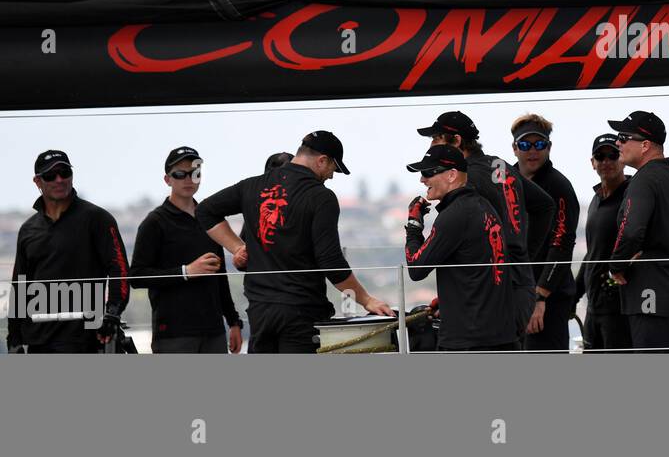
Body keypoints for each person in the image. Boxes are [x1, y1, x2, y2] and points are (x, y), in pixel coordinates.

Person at [197, 131, 393, 354]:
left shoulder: (252, 186)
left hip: (260, 310)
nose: (331, 176)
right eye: (333, 169)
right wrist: (366, 300)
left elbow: (205, 211)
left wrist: (237, 247)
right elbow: (330, 260)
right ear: (322, 160)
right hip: (302, 312)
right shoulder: (321, 196)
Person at [417, 111, 554, 344]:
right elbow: (544, 205)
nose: (431, 146)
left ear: (456, 140)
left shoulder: (464, 178)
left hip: (495, 292)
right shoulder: (499, 164)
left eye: (436, 138)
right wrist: (524, 252)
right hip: (519, 282)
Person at [7, 150, 129, 354]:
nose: (59, 180)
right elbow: (20, 285)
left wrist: (113, 314)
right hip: (39, 342)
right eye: (50, 175)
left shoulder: (98, 218)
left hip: (88, 339)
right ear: (37, 181)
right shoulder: (28, 229)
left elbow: (120, 270)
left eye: (65, 173)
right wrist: (14, 337)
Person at [605, 111, 669, 352]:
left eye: (623, 137)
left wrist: (615, 266)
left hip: (653, 298)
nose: (617, 142)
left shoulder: (644, 179)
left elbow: (631, 232)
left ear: (645, 145)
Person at [404, 145, 519, 351]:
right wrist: (450, 300)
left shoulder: (454, 215)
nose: (422, 180)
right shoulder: (484, 205)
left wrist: (414, 226)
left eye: (428, 173)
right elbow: (481, 268)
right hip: (501, 336)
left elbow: (416, 268)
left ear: (452, 175)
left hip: (469, 342)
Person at [128, 147, 243, 354]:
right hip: (174, 333)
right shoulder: (154, 222)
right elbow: (137, 277)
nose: (188, 179)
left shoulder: (210, 217)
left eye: (195, 173)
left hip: (214, 331)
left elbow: (221, 276)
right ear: (167, 179)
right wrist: (185, 272)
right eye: (180, 174)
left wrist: (233, 321)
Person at [511, 114, 579, 353]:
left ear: (549, 147)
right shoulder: (505, 182)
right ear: (514, 148)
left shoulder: (559, 186)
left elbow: (562, 244)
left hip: (548, 298)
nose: (532, 151)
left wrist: (539, 298)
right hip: (514, 295)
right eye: (525, 145)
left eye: (539, 145)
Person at [576, 133, 633, 353]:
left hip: (620, 307)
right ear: (593, 163)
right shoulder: (596, 199)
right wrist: (575, 293)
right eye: (601, 156)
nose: (607, 162)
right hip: (594, 306)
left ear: (623, 159)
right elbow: (592, 253)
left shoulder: (632, 195)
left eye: (613, 155)